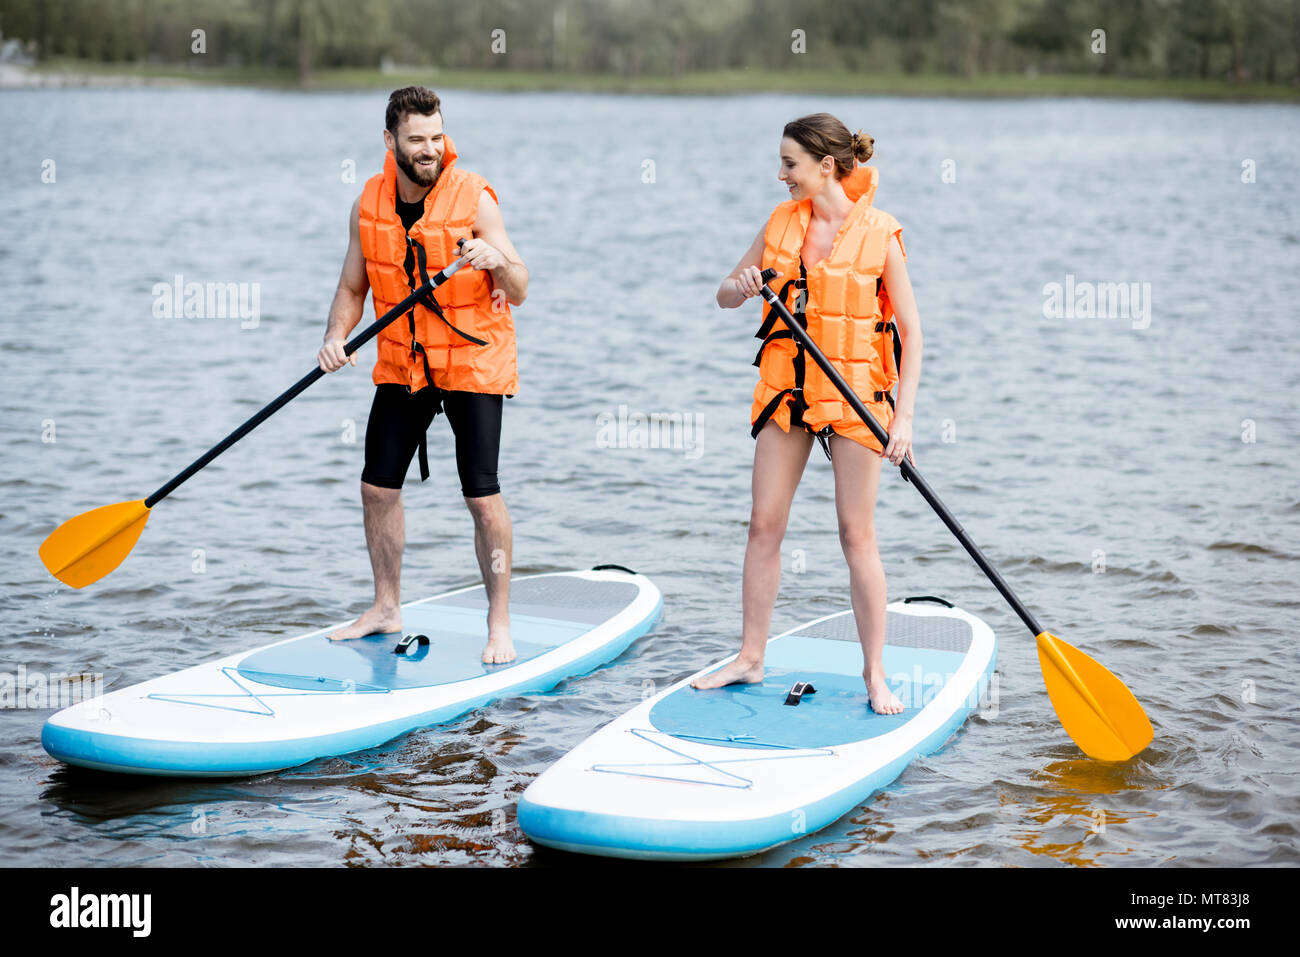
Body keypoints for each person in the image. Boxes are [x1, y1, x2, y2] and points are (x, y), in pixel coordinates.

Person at [691, 113, 921, 714]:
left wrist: (905, 419)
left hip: (854, 397)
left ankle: (875, 674)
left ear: (826, 166)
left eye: (789, 164)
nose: (781, 175)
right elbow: (722, 294)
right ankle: (749, 657)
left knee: (855, 534)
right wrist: (741, 286)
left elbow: (912, 334)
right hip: (789, 391)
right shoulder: (780, 223)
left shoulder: (881, 233)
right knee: (763, 524)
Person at [317, 86, 528, 663]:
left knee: (482, 498)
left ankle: (500, 624)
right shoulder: (368, 203)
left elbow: (523, 286)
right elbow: (352, 287)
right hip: (405, 363)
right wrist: (336, 336)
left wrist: (497, 262)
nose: (430, 149)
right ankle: (386, 607)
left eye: (437, 137)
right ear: (390, 142)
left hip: (473, 359)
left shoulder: (475, 198)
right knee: (376, 488)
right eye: (417, 140)